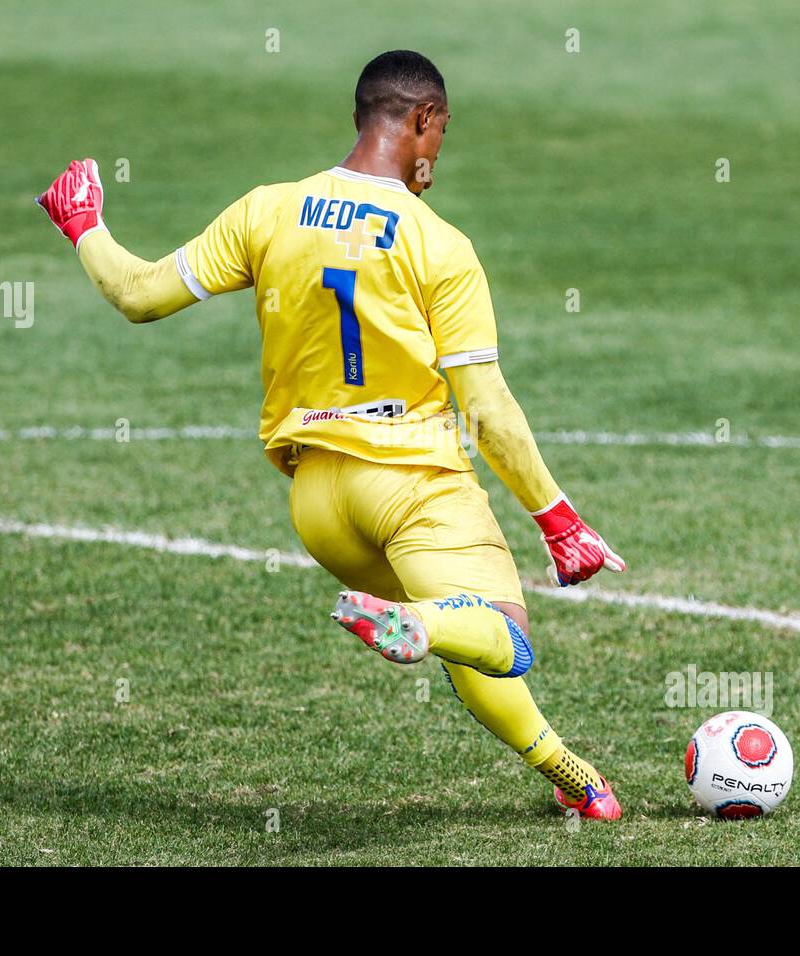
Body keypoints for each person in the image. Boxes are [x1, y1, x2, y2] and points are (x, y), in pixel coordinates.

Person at [37, 50, 627, 818]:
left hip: (319, 505)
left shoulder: (267, 210)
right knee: (498, 632)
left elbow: (139, 294)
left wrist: (85, 224)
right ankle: (416, 624)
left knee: (455, 632)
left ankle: (577, 779)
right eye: (442, 132)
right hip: (412, 487)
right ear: (422, 120)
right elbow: (485, 404)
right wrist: (559, 519)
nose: (438, 154)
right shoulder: (439, 244)